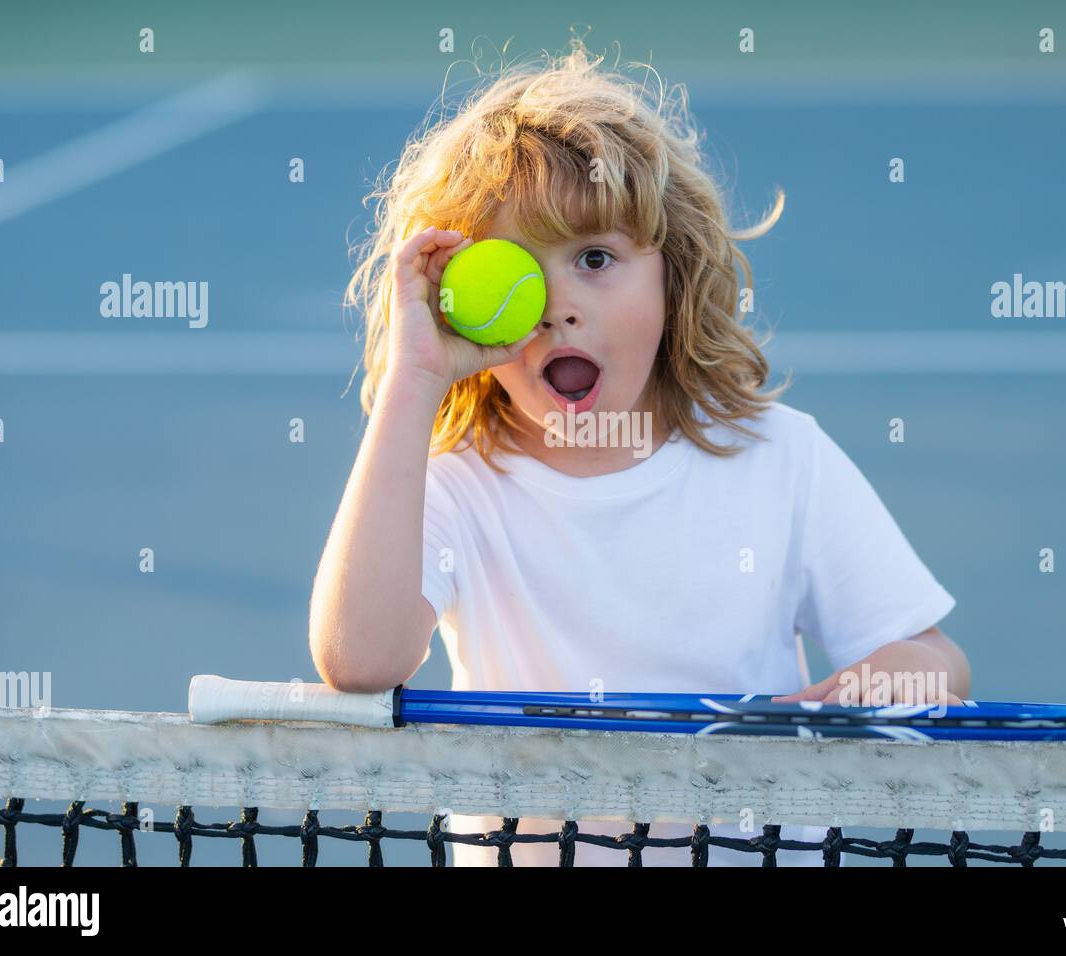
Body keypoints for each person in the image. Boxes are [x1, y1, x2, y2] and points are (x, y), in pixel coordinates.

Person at [309, 37, 969, 866]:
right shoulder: (455, 486)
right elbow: (359, 662)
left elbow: (935, 661)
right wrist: (413, 382)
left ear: (673, 275)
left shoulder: (777, 457)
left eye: (595, 260)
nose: (557, 310)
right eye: (513, 273)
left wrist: (863, 691)